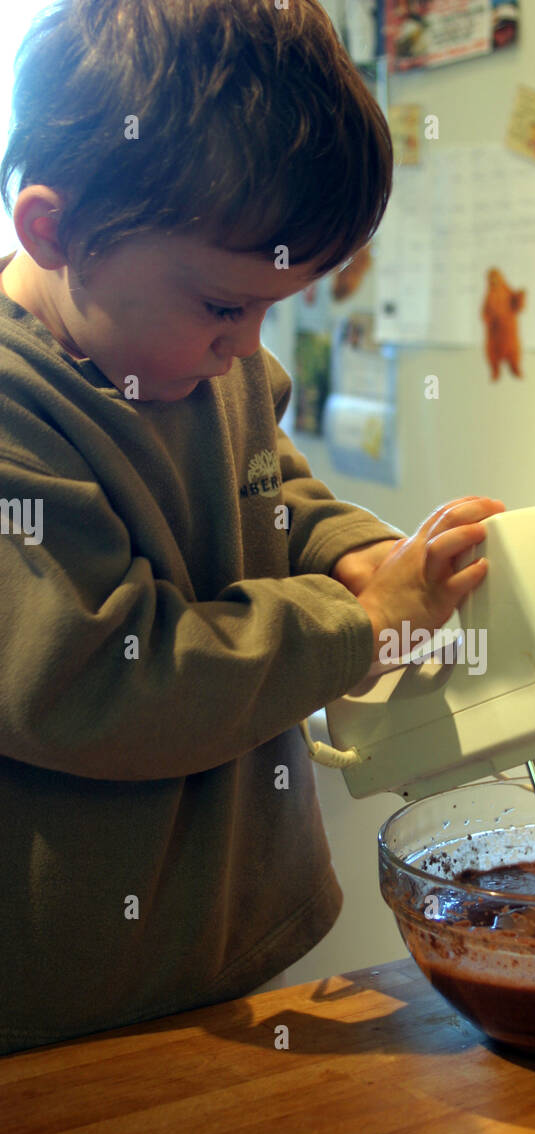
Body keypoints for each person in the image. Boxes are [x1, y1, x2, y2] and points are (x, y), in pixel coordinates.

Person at [0, 0, 503, 1055]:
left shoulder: (200, 360)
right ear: (53, 230)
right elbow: (93, 681)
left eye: (279, 308)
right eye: (225, 305)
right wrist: (356, 625)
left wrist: (358, 553)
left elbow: (270, 490)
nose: (249, 348)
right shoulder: (15, 415)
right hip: (60, 996)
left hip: (224, 932)